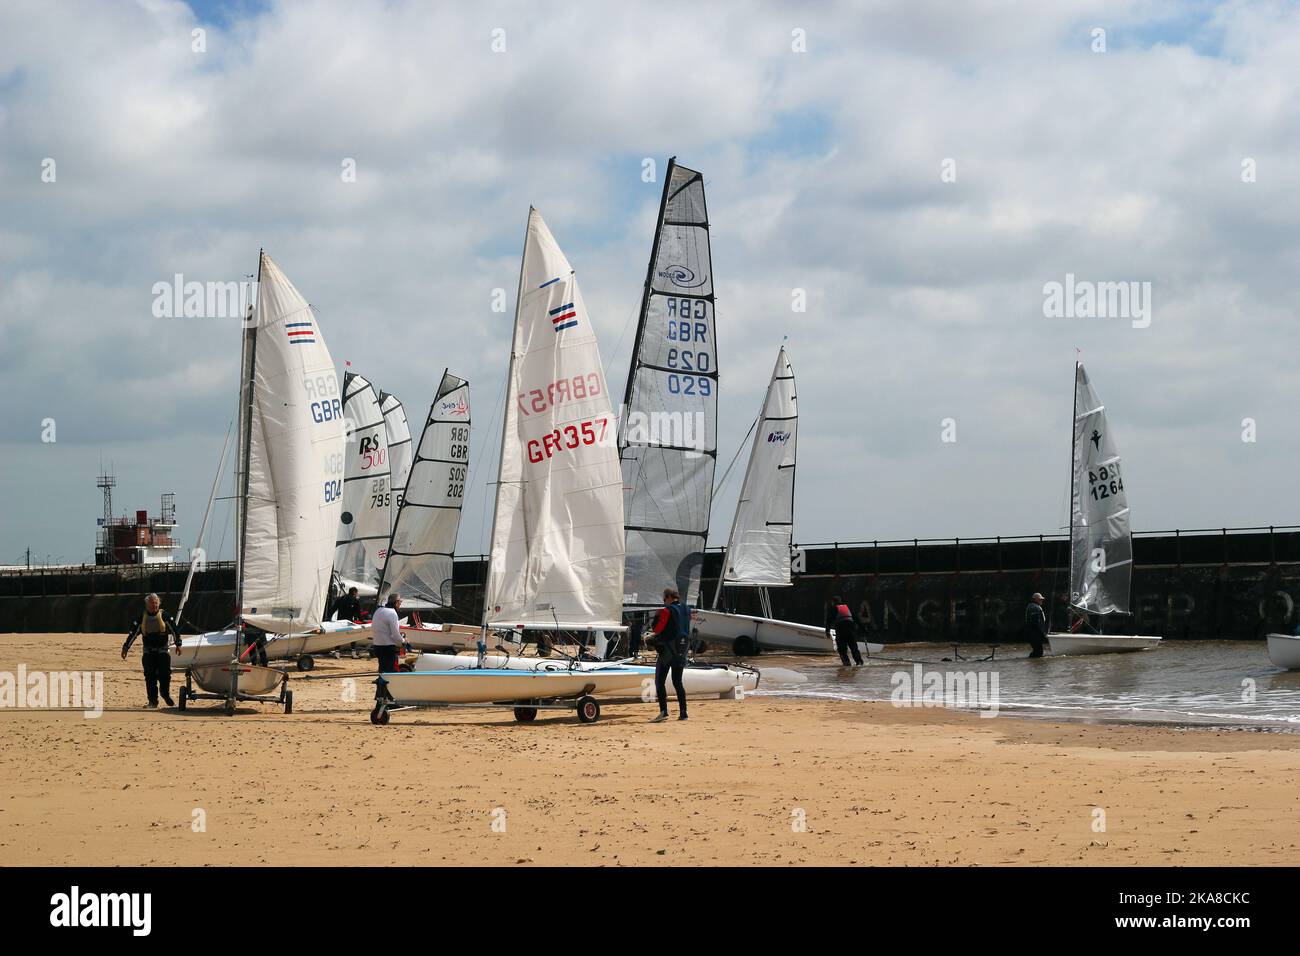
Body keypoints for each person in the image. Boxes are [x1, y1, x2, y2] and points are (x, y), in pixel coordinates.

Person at [120, 593, 183, 708]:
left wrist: (178, 644)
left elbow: (175, 630)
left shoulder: (165, 616)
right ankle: (153, 702)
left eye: (156, 603)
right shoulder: (141, 618)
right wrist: (126, 647)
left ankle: (165, 694)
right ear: (146, 605)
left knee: (165, 675)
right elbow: (133, 634)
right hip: (148, 652)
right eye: (152, 604)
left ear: (159, 603)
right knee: (150, 678)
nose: (154, 606)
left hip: (163, 651)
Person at [650, 587, 690, 722]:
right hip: (682, 649)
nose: (663, 602)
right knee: (677, 682)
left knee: (659, 681)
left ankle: (664, 712)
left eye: (664, 599)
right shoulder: (687, 609)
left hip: (667, 651)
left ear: (668, 598)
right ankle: (684, 713)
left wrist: (656, 615)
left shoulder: (667, 610)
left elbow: (656, 629)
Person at [371, 593, 407, 673]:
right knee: (391, 671)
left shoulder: (378, 610)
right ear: (396, 602)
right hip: (387, 647)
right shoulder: (392, 613)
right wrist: (404, 641)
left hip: (377, 646)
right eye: (400, 602)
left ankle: (381, 684)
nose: (400, 604)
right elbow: (396, 635)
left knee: (382, 670)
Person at [825, 594, 863, 665]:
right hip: (851, 632)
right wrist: (864, 630)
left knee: (842, 651)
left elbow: (828, 621)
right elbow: (857, 619)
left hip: (841, 633)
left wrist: (827, 631)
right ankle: (859, 663)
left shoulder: (833, 609)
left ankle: (847, 665)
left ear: (833, 602)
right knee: (854, 649)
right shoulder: (848, 608)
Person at [1024, 592, 1048, 658]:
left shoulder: (1034, 606)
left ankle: (1033, 664)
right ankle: (1033, 665)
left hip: (1034, 632)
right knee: (1038, 651)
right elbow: (1035, 623)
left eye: (1042, 599)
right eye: (1040, 599)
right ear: (1035, 600)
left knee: (1037, 651)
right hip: (1034, 633)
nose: (1042, 600)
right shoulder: (1034, 607)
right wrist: (1042, 633)